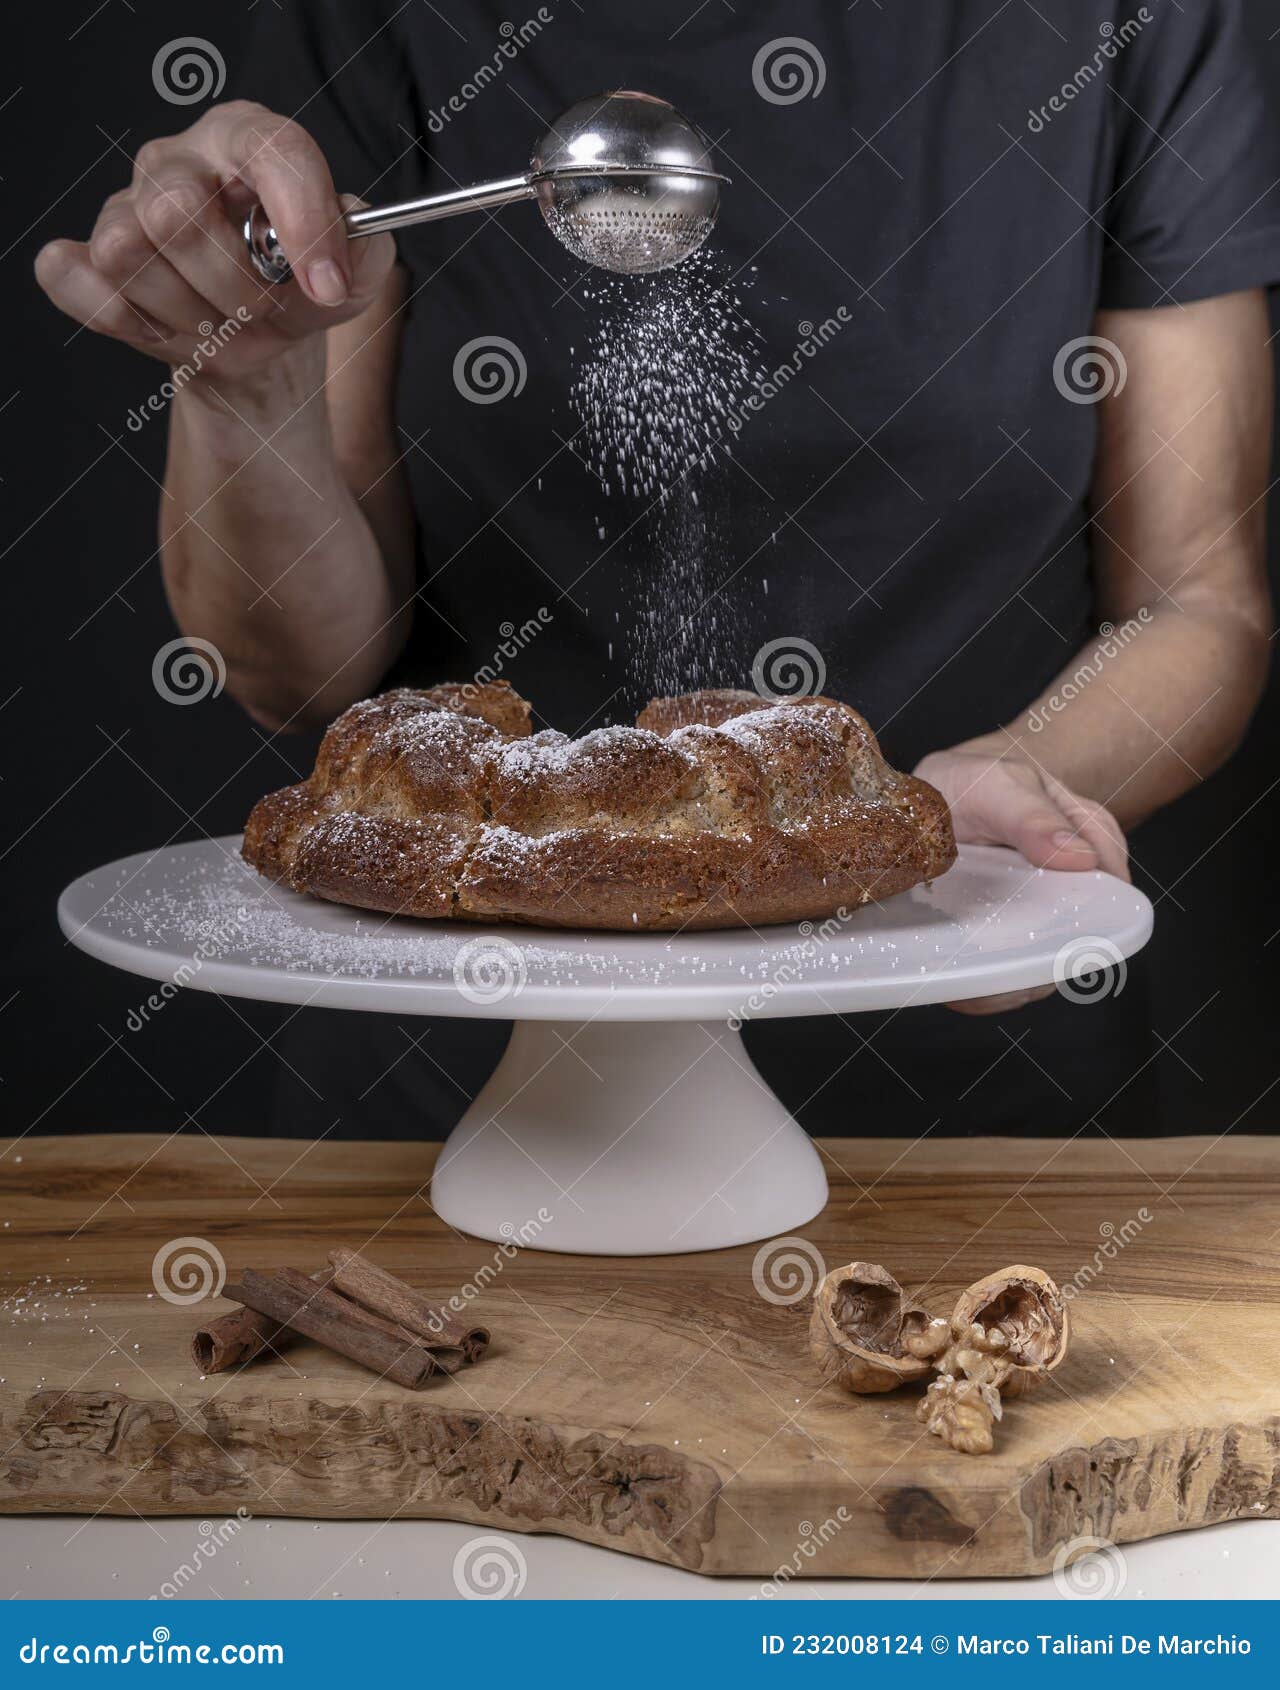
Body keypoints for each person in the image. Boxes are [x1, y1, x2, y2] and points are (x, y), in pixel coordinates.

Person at [34, 1, 1277, 1139]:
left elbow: (1196, 602)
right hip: (459, 1086)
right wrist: (246, 387)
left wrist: (1012, 778)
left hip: (964, 1061)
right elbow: (297, 674)